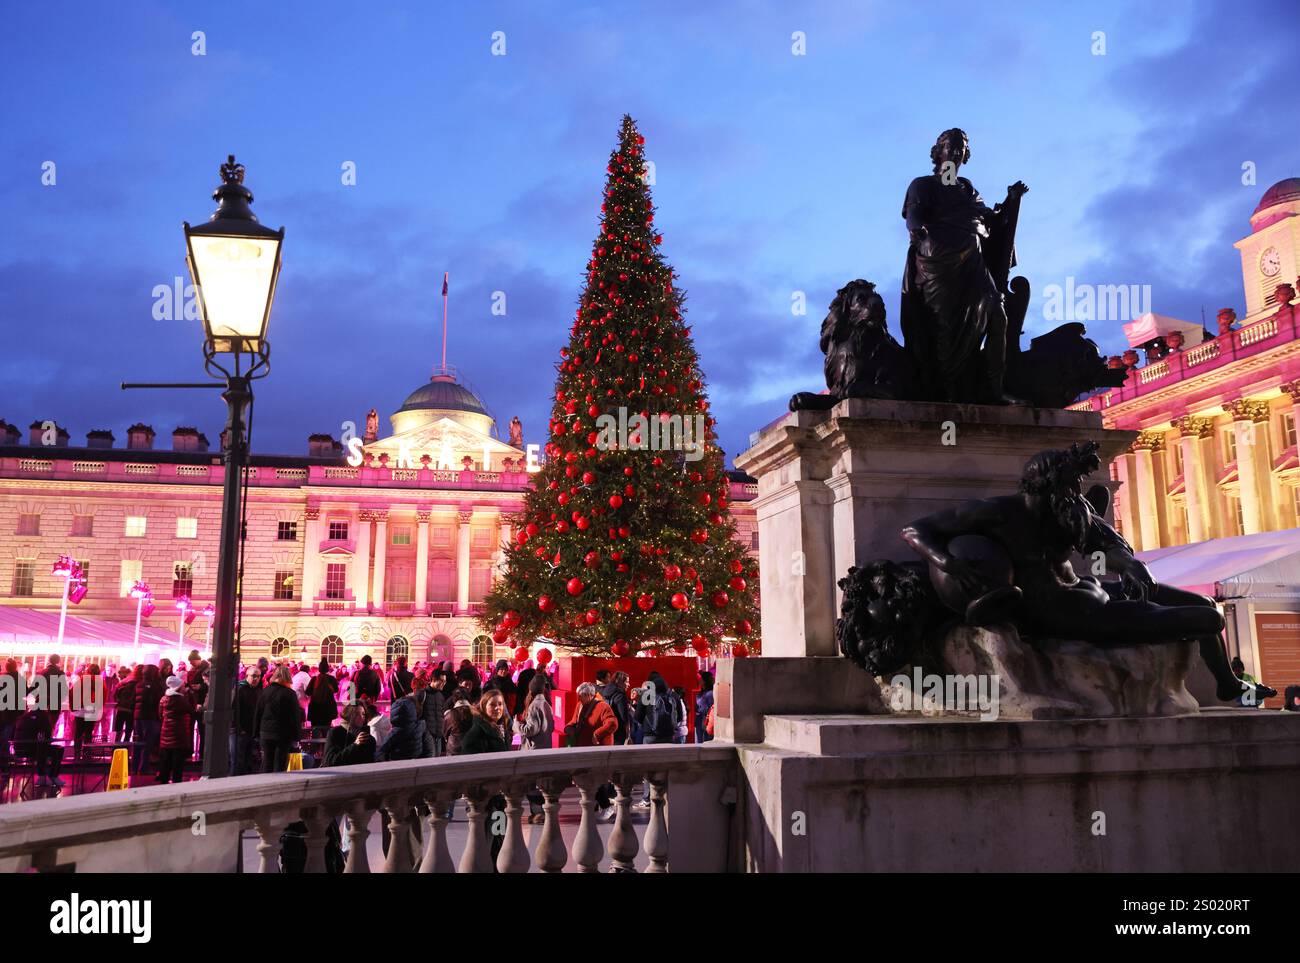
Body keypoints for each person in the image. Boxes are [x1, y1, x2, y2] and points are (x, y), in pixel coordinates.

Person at [460, 690, 511, 868]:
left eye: (500, 704)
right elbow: (469, 766)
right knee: (484, 845)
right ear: (483, 706)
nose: (497, 708)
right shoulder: (477, 732)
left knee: (499, 841)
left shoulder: (500, 729)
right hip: (484, 800)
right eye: (492, 704)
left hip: (499, 800)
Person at [516, 675, 554, 822]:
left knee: (530, 783)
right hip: (544, 747)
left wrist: (517, 725)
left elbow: (531, 729)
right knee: (539, 783)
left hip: (533, 749)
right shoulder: (546, 704)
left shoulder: (534, 706)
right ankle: (539, 812)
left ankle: (537, 812)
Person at [253, 664, 303, 773]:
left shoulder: (265, 691)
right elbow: (295, 716)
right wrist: (297, 737)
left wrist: (256, 733)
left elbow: (258, 713)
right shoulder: (290, 694)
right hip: (283, 734)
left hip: (265, 732)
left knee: (267, 761)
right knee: (280, 763)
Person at [13, 695, 64, 788]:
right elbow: (46, 736)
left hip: (18, 750)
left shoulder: (26, 715)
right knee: (57, 749)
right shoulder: (42, 716)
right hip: (32, 749)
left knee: (41, 747)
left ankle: (43, 777)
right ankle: (52, 776)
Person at [157, 675, 196, 784]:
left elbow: (160, 715)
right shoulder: (181, 700)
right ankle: (176, 783)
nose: (185, 687)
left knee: (166, 761)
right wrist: (192, 695)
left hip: (165, 735)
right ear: (178, 687)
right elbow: (191, 710)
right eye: (183, 686)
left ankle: (163, 782)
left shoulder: (163, 699)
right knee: (177, 763)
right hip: (179, 735)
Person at [378, 680, 429, 761]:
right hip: (417, 765)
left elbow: (381, 751)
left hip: (398, 765)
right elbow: (429, 749)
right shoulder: (421, 726)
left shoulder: (395, 732)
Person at [131, 664, 163, 777]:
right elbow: (155, 701)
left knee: (138, 742)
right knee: (147, 743)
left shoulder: (138, 684)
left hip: (138, 717)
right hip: (149, 717)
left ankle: (134, 767)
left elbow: (134, 700)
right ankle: (143, 768)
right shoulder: (154, 686)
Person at [230, 664, 262, 775]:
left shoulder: (258, 690)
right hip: (239, 730)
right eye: (253, 676)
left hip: (250, 730)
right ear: (247, 676)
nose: (256, 679)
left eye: (258, 676)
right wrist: (239, 728)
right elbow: (234, 710)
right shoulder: (240, 688)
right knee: (237, 761)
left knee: (248, 760)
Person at [323, 703, 376, 768]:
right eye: (357, 714)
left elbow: (369, 763)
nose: (361, 717)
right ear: (349, 715)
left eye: (363, 714)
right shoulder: (335, 733)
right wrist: (355, 745)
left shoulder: (367, 738)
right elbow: (330, 761)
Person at [70, 662, 102, 759]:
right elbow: (103, 697)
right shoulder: (100, 682)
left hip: (80, 711)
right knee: (88, 733)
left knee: (78, 733)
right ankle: (86, 755)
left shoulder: (81, 680)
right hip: (91, 711)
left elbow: (72, 693)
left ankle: (76, 754)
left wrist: (73, 707)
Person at [306, 659, 339, 738]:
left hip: (315, 709)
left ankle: (315, 749)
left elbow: (308, 692)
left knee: (315, 733)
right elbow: (336, 690)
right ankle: (325, 749)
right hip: (328, 710)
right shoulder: (331, 679)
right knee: (327, 734)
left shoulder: (314, 679)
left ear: (319, 669)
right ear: (328, 669)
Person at [601, 671, 633, 745]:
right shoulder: (620, 696)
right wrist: (628, 736)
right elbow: (625, 718)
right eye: (627, 682)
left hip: (608, 731)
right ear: (620, 682)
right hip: (620, 734)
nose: (629, 684)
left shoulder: (605, 694)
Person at [112, 665, 135, 746]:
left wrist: (118, 702)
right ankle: (125, 748)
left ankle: (115, 747)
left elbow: (115, 695)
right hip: (131, 711)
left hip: (122, 709)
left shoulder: (122, 684)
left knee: (118, 730)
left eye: (120, 674)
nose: (119, 676)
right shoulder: (136, 683)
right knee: (128, 731)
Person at [695, 671, 715, 744]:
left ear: (705, 681)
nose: (699, 680)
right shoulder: (702, 693)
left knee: (706, 742)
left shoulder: (710, 694)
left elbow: (710, 708)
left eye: (701, 679)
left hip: (706, 721)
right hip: (700, 721)